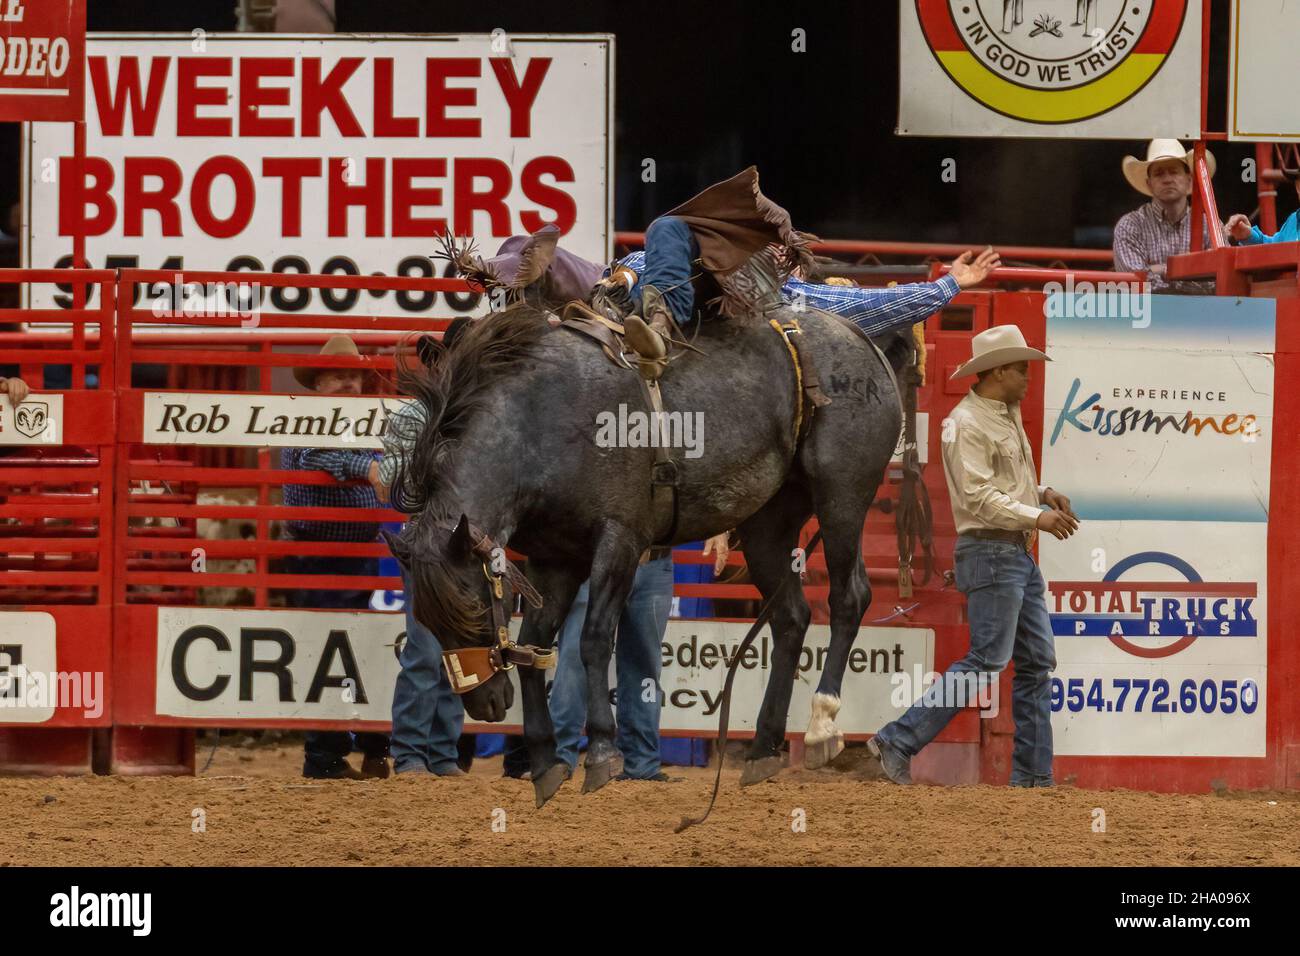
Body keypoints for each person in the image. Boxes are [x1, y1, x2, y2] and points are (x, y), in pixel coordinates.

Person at [868, 325, 1078, 788]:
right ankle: (898, 740)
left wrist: (1040, 494)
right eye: (1021, 369)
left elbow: (994, 488)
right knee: (992, 659)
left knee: (1030, 660)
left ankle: (1033, 776)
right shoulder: (966, 423)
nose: (1028, 377)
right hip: (994, 549)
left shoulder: (998, 415)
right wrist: (1036, 516)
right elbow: (978, 497)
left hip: (1007, 551)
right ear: (998, 370)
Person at [282, 335, 392, 780]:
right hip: (317, 554)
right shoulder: (302, 419)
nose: (348, 385)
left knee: (359, 651)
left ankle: (369, 746)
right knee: (324, 652)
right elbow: (317, 455)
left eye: (353, 377)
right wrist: (367, 468)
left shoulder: (364, 423)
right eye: (338, 378)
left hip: (357, 552)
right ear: (319, 384)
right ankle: (324, 756)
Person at [378, 320, 472, 777]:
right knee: (426, 650)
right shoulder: (419, 414)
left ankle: (439, 753)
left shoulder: (485, 412)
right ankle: (415, 753)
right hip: (431, 542)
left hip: (468, 546)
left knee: (454, 651)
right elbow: (391, 480)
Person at [549, 548, 676, 782]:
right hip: (599, 557)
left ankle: (640, 763)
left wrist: (718, 531)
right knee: (576, 658)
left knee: (643, 662)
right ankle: (559, 758)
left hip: (652, 560)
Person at [1112, 139, 1225, 290]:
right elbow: (1135, 282)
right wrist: (1186, 274)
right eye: (1159, 174)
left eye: (1174, 172)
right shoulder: (1130, 225)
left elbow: (1221, 274)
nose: (1167, 179)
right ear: (1149, 184)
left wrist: (1158, 270)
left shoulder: (1210, 224)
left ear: (1189, 180)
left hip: (1199, 310)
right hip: (1151, 311)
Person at [1227, 166, 1300, 245]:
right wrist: (1248, 236)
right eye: (1299, 184)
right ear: (1297, 187)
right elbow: (1274, 248)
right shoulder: (1294, 220)